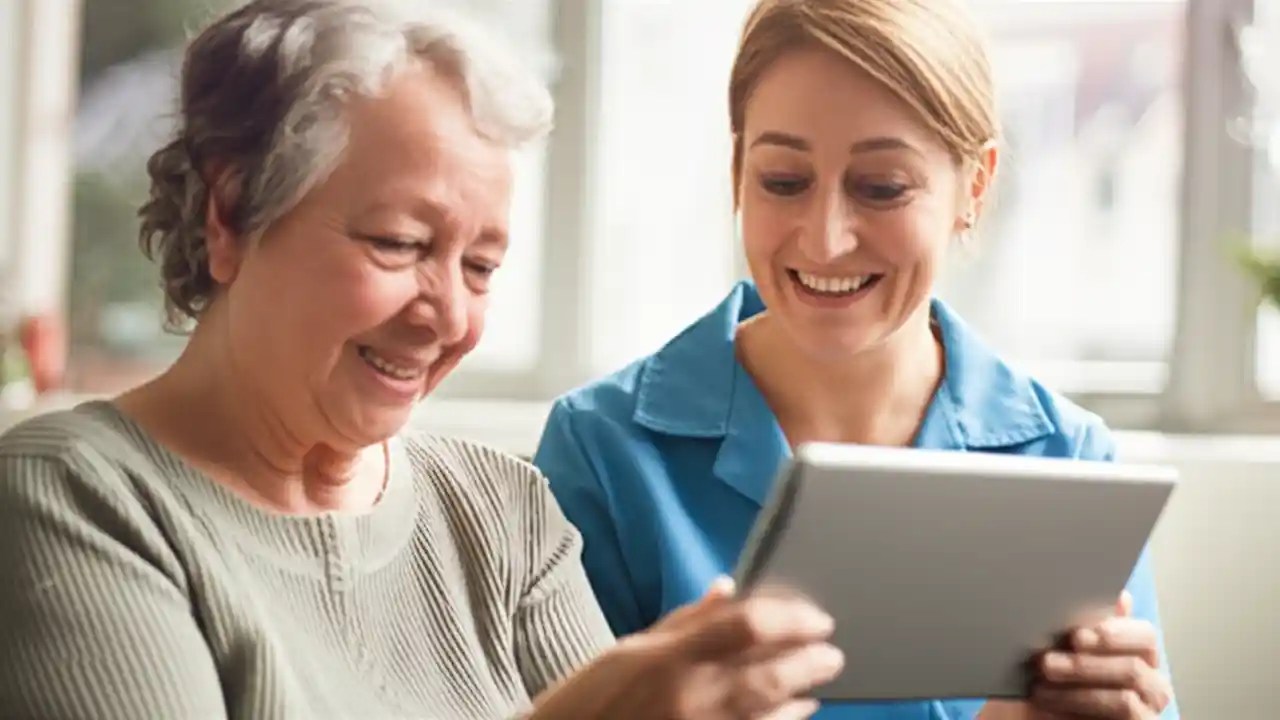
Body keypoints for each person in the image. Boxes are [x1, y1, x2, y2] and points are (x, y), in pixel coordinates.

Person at [0, 2, 847, 718]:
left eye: (481, 267)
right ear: (230, 214)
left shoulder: (501, 513)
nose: (447, 316)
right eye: (399, 244)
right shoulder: (72, 498)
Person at [532, 1, 1179, 719]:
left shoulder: (1068, 460)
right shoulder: (601, 450)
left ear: (976, 186)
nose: (825, 239)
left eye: (881, 187)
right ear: (737, 169)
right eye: (783, 180)